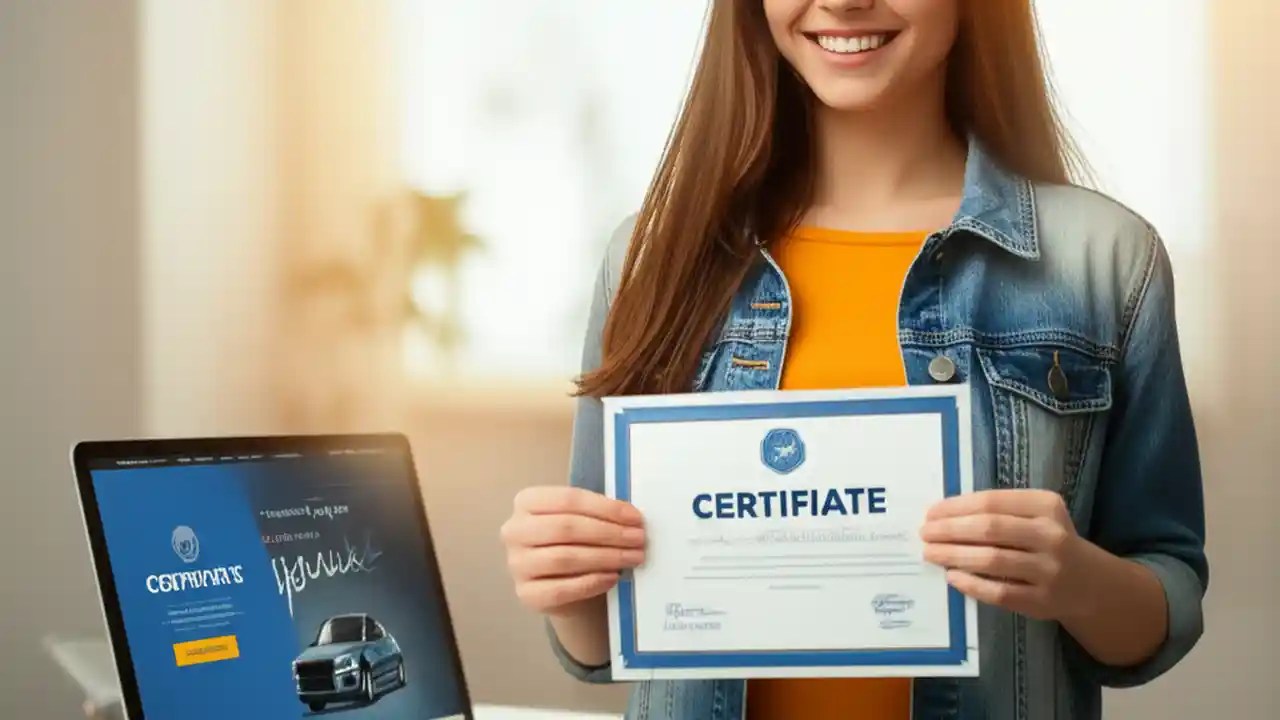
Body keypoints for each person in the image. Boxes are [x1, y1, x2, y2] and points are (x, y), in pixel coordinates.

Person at [499, 0, 1208, 718]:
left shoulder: (1105, 261)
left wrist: (1077, 581)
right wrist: (566, 582)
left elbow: (1167, 598)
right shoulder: (650, 256)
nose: (842, 2)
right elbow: (602, 648)